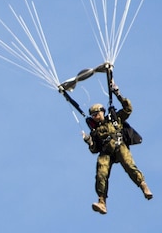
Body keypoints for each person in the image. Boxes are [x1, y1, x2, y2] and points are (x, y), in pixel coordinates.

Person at [63, 79, 153, 214]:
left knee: (129, 165)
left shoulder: (114, 119)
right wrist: (89, 141)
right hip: (106, 152)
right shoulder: (95, 131)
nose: (95, 116)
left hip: (119, 145)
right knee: (101, 173)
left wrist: (117, 93)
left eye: (97, 113)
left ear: (102, 112)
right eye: (93, 115)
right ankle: (102, 201)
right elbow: (94, 149)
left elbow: (128, 109)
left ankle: (143, 186)